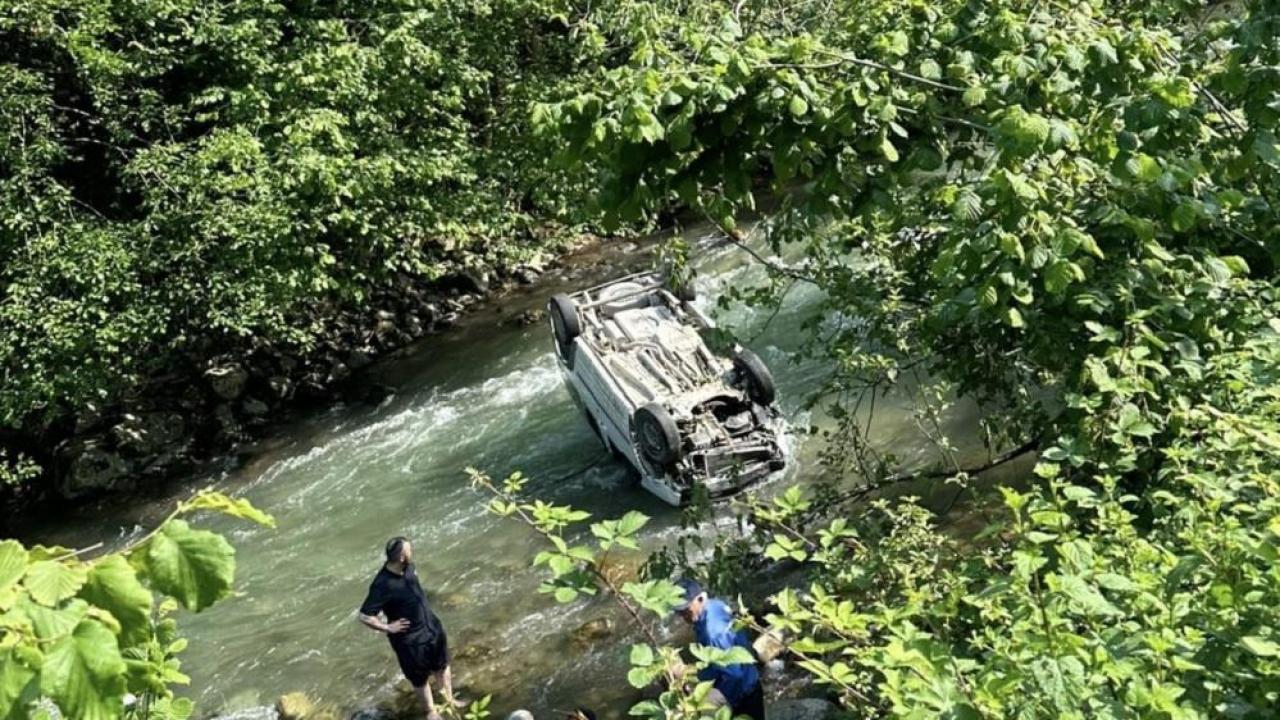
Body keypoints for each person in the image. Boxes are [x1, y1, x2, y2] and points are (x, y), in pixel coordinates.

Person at [358, 536, 462, 720]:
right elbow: (365, 615)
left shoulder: (409, 568)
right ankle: (431, 711)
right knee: (419, 678)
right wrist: (387, 627)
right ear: (401, 557)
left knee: (442, 664)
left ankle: (449, 700)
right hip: (410, 640)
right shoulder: (382, 585)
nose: (412, 552)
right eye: (409, 550)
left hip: (431, 628)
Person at [673, 579, 765, 720]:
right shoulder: (715, 605)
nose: (683, 616)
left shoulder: (714, 634)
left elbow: (735, 675)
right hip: (748, 676)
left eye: (686, 610)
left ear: (700, 598)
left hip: (743, 694)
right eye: (679, 612)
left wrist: (723, 701)